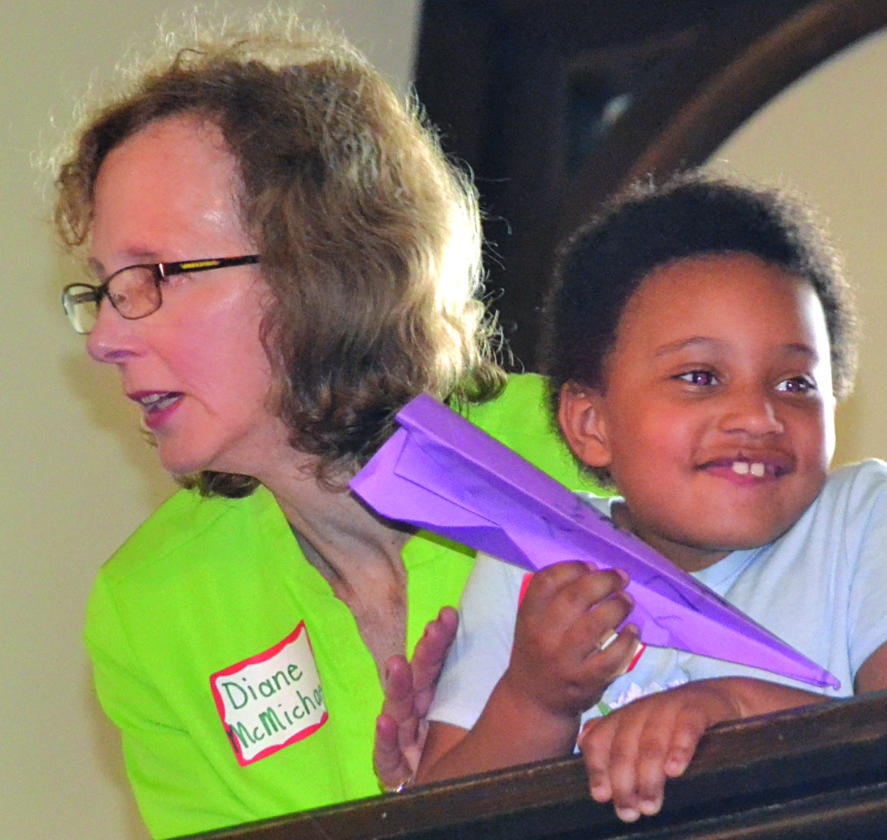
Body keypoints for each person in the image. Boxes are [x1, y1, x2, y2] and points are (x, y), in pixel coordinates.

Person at [52, 13, 599, 838]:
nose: (104, 337)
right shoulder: (154, 610)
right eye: (104, 288)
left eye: (153, 276)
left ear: (318, 262)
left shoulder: (594, 455)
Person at [415, 171, 887, 821]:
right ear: (591, 424)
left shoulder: (864, 521)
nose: (758, 416)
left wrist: (736, 709)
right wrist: (534, 702)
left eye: (795, 383)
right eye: (700, 376)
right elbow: (439, 820)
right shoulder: (532, 563)